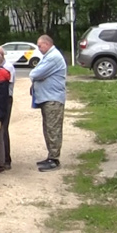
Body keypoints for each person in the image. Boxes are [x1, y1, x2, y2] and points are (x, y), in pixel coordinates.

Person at [29, 35, 67, 171]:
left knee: (53, 128)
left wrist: (36, 77)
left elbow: (34, 74)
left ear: (47, 44)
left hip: (53, 99)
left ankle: (54, 159)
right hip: (48, 98)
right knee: (48, 128)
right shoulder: (48, 56)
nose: (38, 49)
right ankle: (51, 156)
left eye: (39, 46)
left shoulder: (53, 57)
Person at [0, 45, 15, 170]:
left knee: (3, 129)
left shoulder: (7, 68)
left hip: (5, 100)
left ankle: (6, 159)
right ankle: (0, 158)